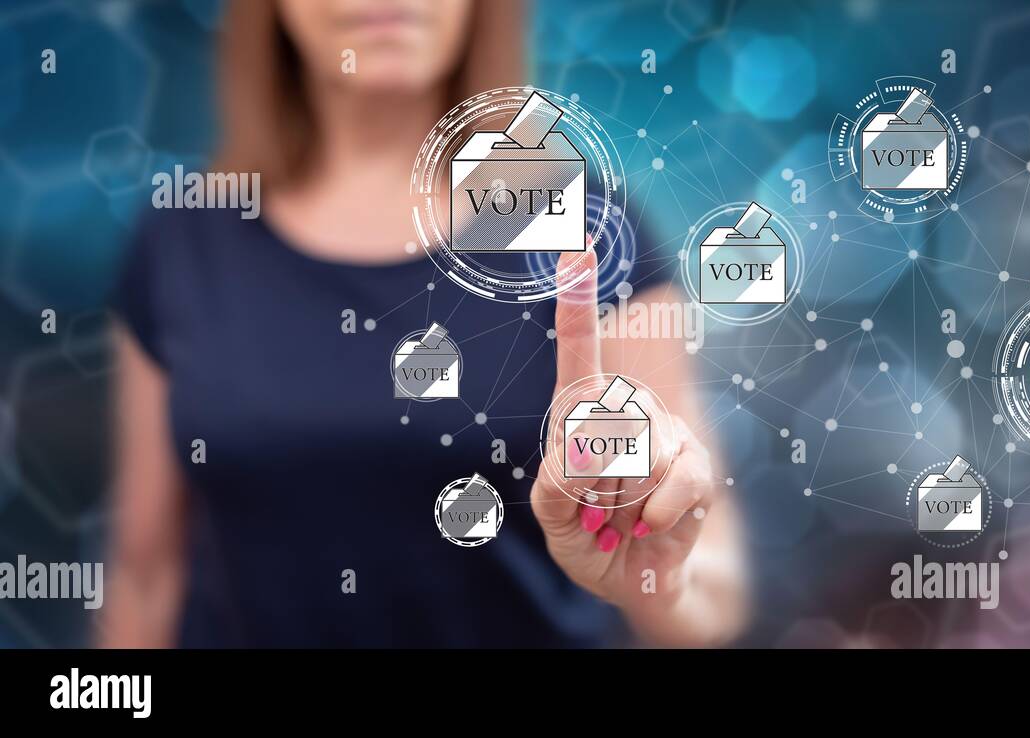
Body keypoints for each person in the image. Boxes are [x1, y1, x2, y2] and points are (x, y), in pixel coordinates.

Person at [101, 0, 747, 648]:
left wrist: (656, 574)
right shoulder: (183, 240)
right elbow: (145, 580)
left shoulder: (586, 230)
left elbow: (710, 599)